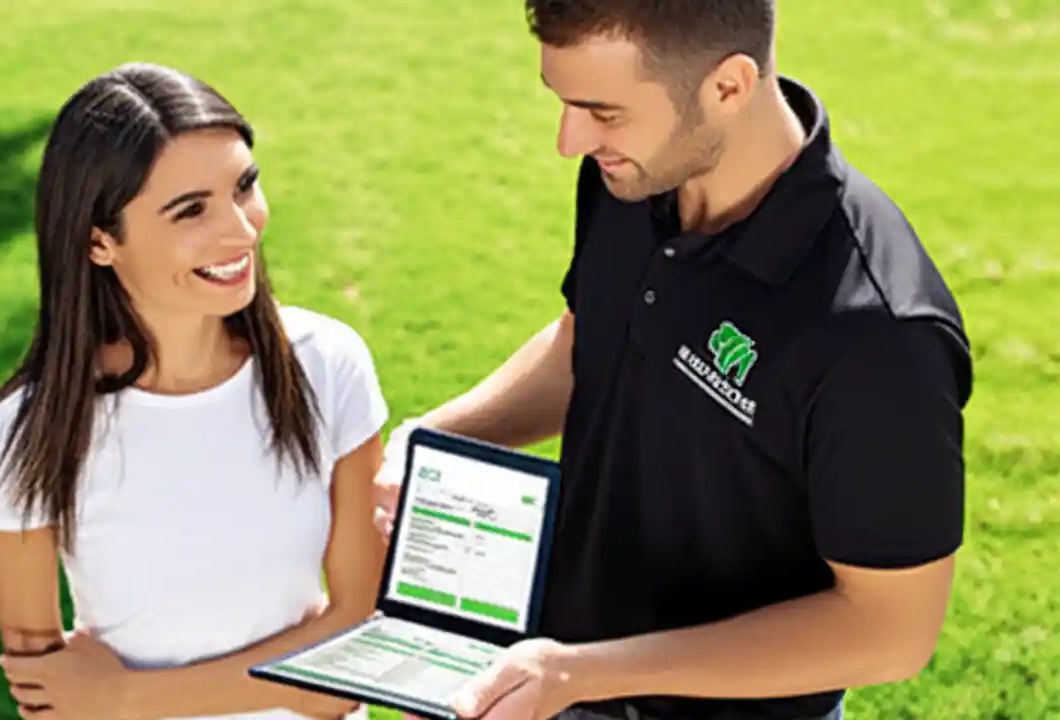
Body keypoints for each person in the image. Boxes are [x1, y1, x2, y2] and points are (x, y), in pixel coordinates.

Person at [374, 2, 972, 719]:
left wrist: (583, 675)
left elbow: (888, 632)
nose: (570, 140)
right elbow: (588, 339)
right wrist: (435, 439)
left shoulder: (878, 333)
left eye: (604, 112)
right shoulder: (634, 176)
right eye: (564, 103)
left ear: (728, 86)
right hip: (555, 674)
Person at [0, 62, 388, 720]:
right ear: (100, 242)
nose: (242, 229)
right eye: (191, 210)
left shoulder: (325, 365)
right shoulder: (22, 437)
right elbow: (50, 697)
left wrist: (125, 697)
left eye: (243, 186)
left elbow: (358, 634)